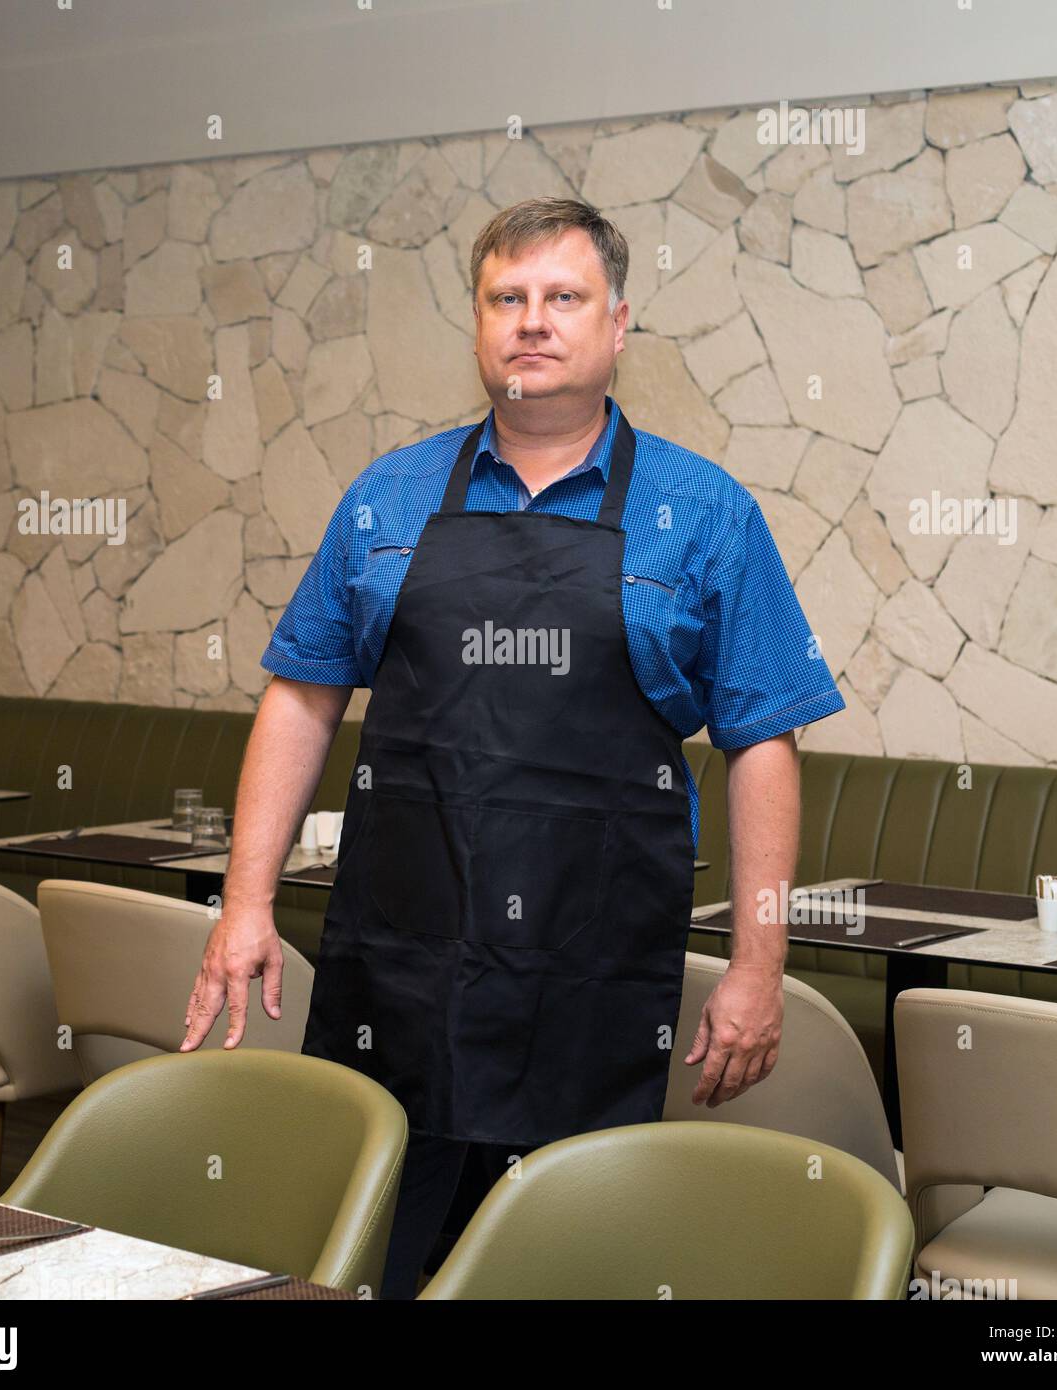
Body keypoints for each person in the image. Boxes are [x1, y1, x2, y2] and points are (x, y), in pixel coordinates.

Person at [181, 196, 846, 1298]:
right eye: (507, 299)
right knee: (371, 1236)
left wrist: (758, 965)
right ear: (480, 323)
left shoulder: (703, 512)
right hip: (402, 959)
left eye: (562, 298)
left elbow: (762, 742)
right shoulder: (384, 499)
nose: (531, 322)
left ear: (617, 325)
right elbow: (300, 700)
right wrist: (244, 906)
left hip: (591, 965)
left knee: (567, 1256)